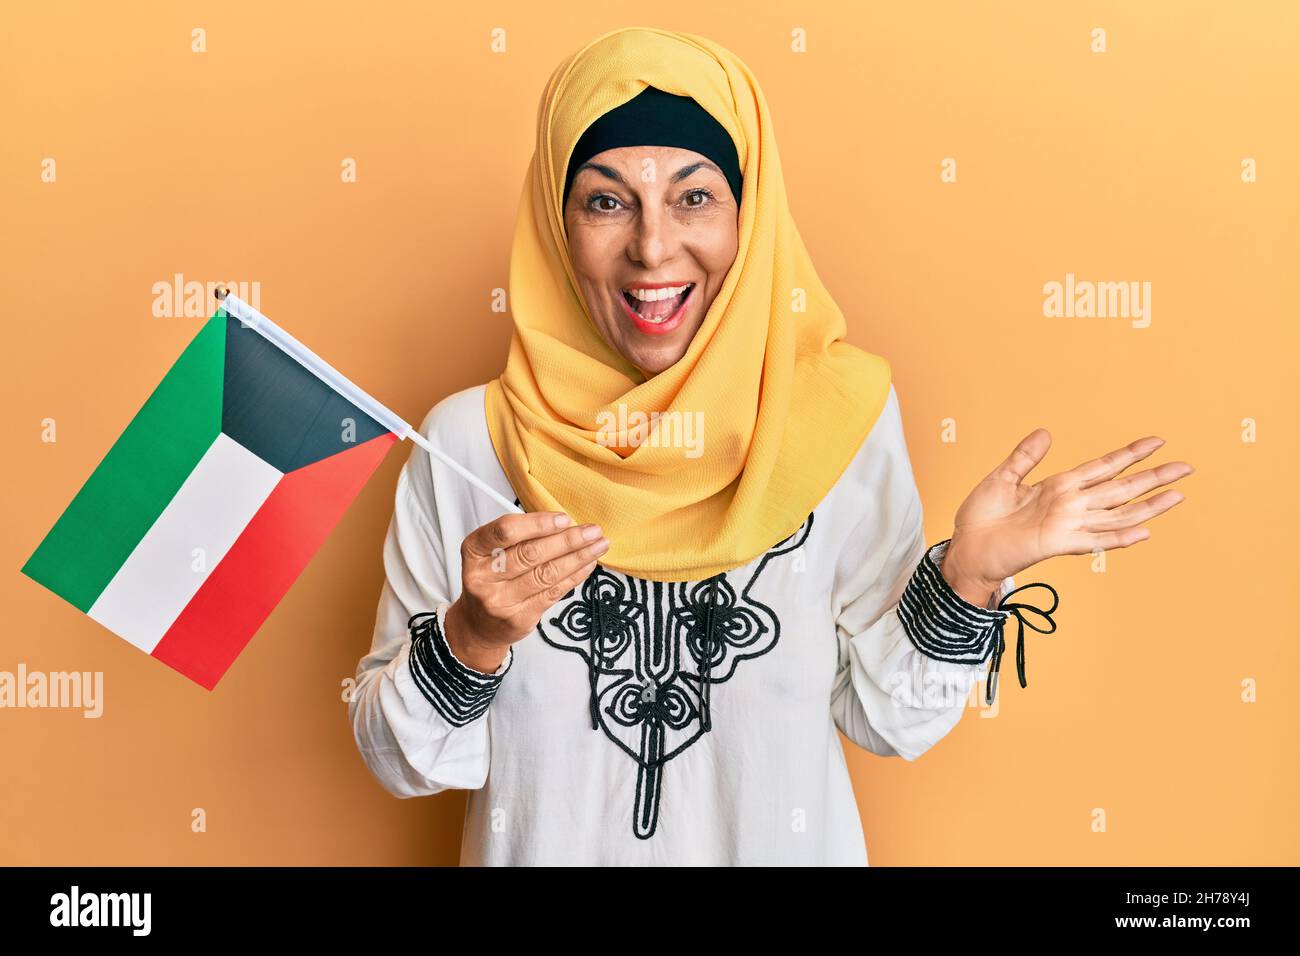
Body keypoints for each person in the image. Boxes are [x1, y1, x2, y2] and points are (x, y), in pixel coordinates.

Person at [347, 26, 1193, 865]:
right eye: (606, 200)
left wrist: (968, 582)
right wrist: (474, 636)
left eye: (695, 196)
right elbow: (402, 761)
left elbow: (885, 719)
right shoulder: (474, 443)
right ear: (554, 224)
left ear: (750, 216)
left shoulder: (835, 424)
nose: (652, 245)